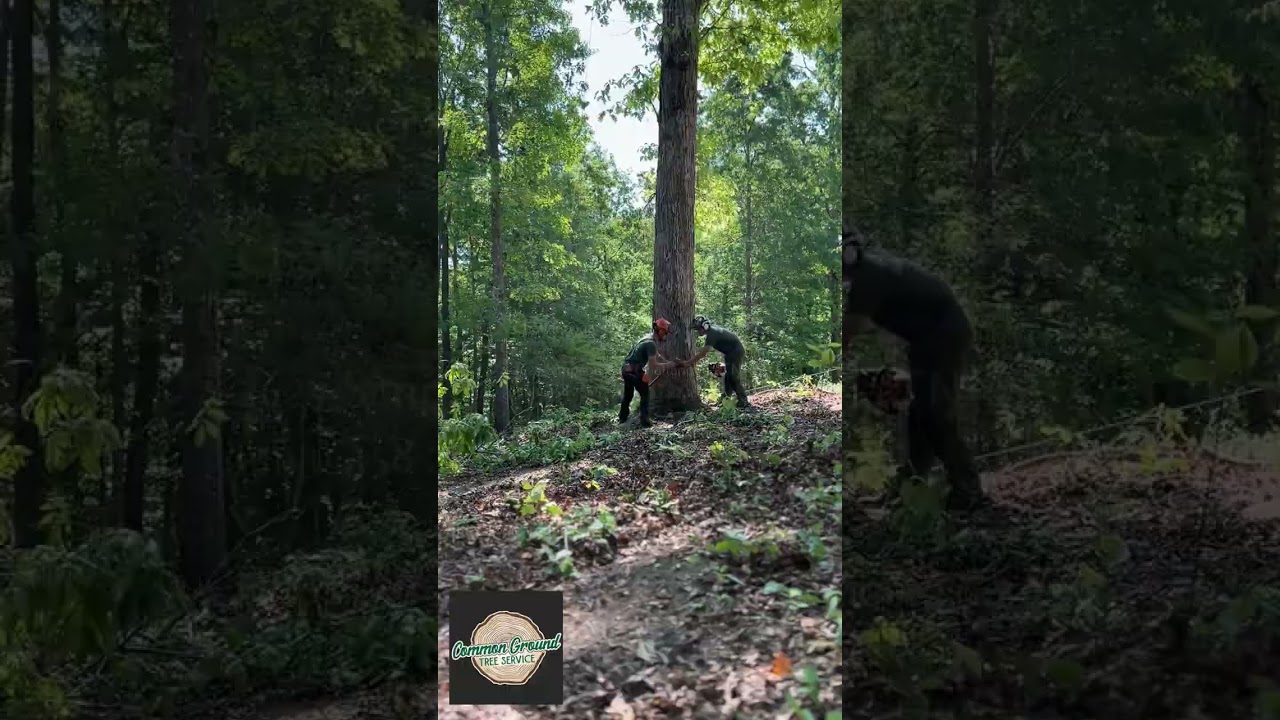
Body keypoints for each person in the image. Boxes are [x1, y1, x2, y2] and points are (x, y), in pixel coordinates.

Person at [842, 229, 985, 509]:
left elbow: (849, 332)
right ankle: (909, 489)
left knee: (936, 415)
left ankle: (968, 491)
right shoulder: (870, 273)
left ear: (849, 253)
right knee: (919, 417)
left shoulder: (869, 275)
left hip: (945, 336)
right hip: (925, 342)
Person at [619, 318, 680, 427]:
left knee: (628, 395)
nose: (665, 335)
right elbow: (653, 365)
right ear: (659, 330)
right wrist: (668, 365)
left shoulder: (646, 339)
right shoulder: (650, 343)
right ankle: (645, 422)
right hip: (634, 371)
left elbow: (657, 356)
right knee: (645, 393)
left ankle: (622, 418)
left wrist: (669, 362)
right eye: (665, 332)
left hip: (626, 369)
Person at [682, 315, 751, 408]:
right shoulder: (712, 332)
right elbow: (704, 351)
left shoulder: (712, 334)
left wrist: (688, 362)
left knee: (733, 377)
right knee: (728, 377)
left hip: (736, 352)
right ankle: (725, 400)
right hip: (729, 353)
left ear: (705, 326)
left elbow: (703, 353)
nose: (698, 332)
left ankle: (743, 401)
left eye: (699, 329)